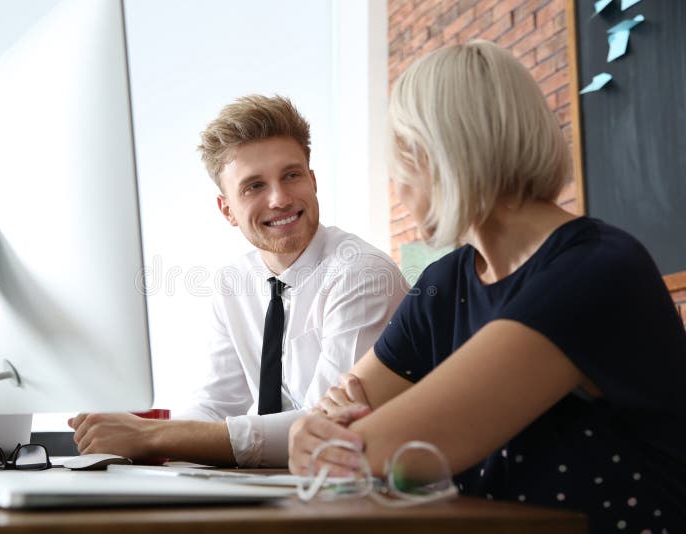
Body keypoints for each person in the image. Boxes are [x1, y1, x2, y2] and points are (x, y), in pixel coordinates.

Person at [288, 41, 686, 533]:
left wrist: (328, 437)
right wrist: (317, 429)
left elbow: (382, 449)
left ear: (434, 156)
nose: (397, 185)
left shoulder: (596, 270)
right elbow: (335, 415)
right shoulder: (445, 281)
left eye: (400, 162)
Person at [69, 94, 408, 467]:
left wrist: (152, 435)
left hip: (362, 491)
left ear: (312, 181)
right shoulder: (234, 282)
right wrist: (131, 438)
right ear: (227, 209)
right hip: (289, 490)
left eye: (291, 175)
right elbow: (214, 404)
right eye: (254, 186)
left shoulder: (361, 273)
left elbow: (323, 428)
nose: (279, 198)